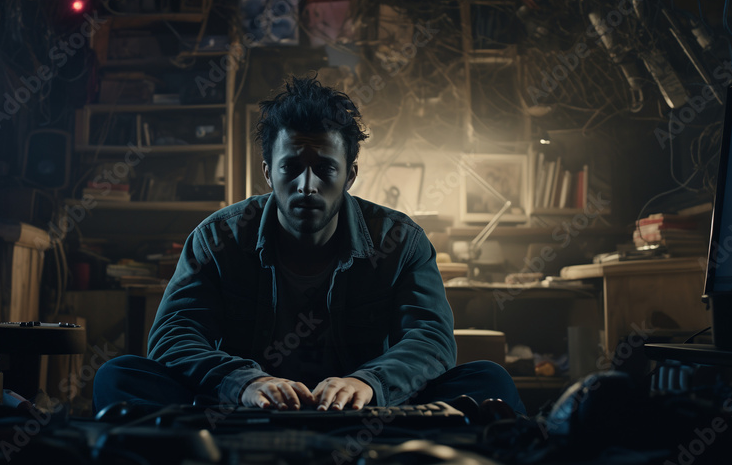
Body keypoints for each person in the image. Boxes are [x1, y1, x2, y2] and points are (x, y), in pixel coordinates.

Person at [93, 75, 525, 414]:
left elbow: (431, 339)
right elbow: (173, 336)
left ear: (350, 175)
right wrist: (244, 382)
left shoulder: (399, 241)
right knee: (120, 377)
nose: (306, 185)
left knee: (489, 383)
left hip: (366, 417)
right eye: (291, 167)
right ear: (268, 172)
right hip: (242, 414)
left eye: (325, 169)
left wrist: (370, 383)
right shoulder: (219, 237)